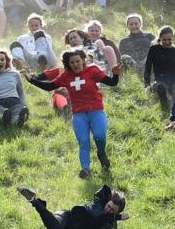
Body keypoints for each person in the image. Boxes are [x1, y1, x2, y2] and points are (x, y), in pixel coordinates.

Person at [24, 49, 122, 178]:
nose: (75, 64)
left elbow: (112, 83)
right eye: (72, 62)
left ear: (83, 60)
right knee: (83, 142)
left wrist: (115, 74)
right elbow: (49, 87)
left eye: (77, 61)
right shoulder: (66, 76)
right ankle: (85, 169)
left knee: (99, 136)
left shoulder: (92, 70)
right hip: (79, 114)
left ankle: (101, 153)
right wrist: (31, 80)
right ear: (68, 64)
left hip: (96, 111)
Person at [16, 184, 128, 229]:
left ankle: (37, 202)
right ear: (106, 201)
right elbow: (99, 217)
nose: (109, 210)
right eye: (109, 206)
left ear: (117, 212)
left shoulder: (110, 224)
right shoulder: (99, 203)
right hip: (67, 216)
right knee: (56, 227)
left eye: (113, 210)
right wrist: (118, 217)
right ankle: (34, 201)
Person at [144, 25, 175, 110]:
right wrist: (147, 84)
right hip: (160, 79)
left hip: (174, 79)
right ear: (160, 38)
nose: (167, 42)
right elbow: (147, 68)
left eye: (169, 40)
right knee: (161, 89)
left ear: (172, 38)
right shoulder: (153, 49)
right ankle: (165, 105)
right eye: (164, 40)